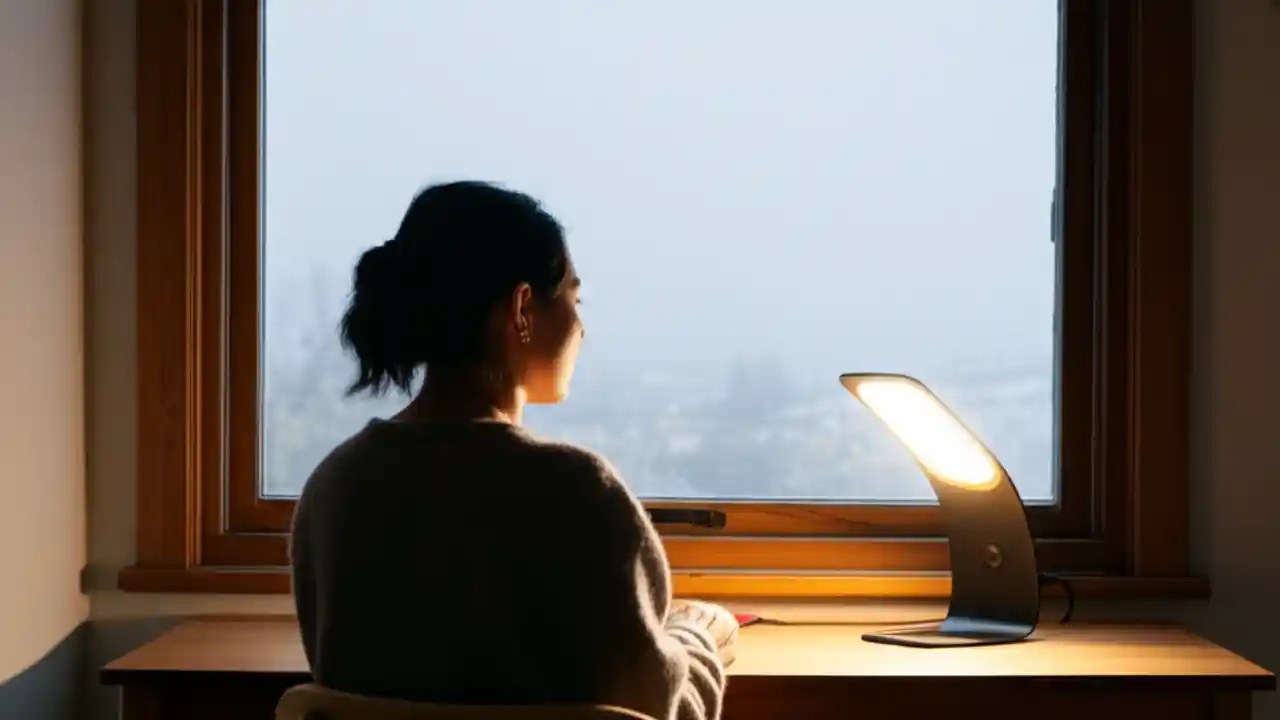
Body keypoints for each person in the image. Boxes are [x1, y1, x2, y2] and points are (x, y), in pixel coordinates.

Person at [290, 181, 738, 720]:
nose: (581, 328)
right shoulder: (576, 491)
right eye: (574, 298)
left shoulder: (335, 488)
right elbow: (660, 711)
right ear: (522, 307)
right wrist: (698, 637)